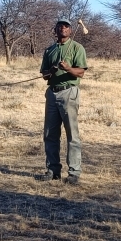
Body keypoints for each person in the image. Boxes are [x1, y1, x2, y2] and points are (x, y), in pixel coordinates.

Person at [40, 18, 88, 184]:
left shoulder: (77, 48)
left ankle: (74, 172)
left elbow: (81, 72)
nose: (63, 28)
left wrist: (68, 68)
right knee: (50, 134)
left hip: (69, 92)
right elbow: (44, 74)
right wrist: (51, 71)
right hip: (52, 93)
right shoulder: (49, 50)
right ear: (55, 29)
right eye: (60, 26)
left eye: (66, 26)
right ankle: (53, 170)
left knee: (72, 134)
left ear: (70, 30)